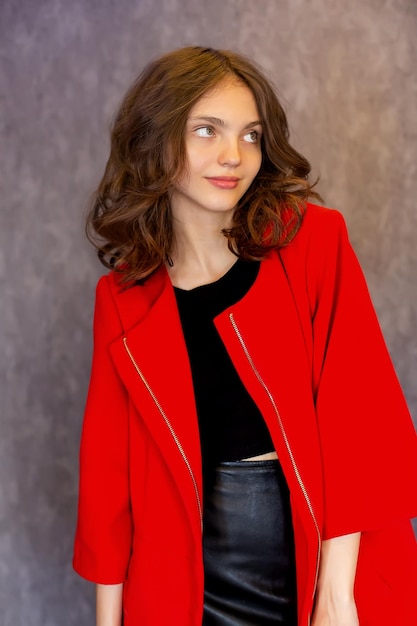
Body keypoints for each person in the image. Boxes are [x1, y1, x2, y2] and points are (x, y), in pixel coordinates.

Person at [73, 46, 417, 626]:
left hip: (325, 562)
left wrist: (336, 598)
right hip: (184, 576)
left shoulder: (312, 243)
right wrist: (110, 621)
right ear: (155, 141)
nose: (233, 155)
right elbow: (108, 481)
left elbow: (358, 419)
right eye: (206, 130)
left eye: (251, 135)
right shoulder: (123, 299)